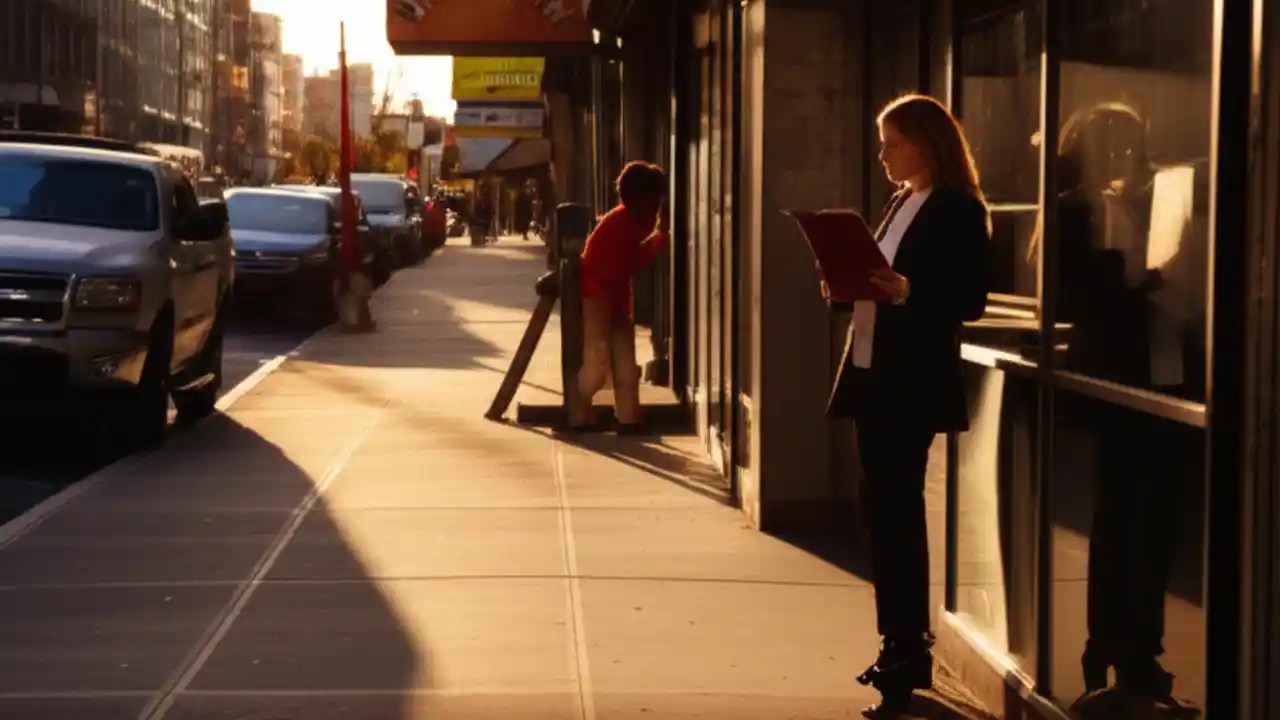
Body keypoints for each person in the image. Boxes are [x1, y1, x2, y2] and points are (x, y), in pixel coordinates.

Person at [826, 94, 990, 718]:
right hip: (872, 371)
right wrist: (845, 281)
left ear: (925, 142)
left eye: (893, 142)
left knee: (896, 509)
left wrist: (909, 289)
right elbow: (880, 276)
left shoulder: (957, 208)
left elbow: (968, 297)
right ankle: (898, 641)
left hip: (910, 381)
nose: (884, 153)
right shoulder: (901, 201)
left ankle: (906, 646)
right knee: (883, 509)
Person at [575, 161, 670, 433]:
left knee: (625, 360)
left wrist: (656, 242)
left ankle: (629, 417)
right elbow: (619, 267)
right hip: (596, 294)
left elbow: (627, 264)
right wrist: (656, 244)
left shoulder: (637, 219)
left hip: (613, 294)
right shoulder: (621, 223)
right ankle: (578, 409)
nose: (656, 205)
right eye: (652, 199)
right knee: (599, 357)